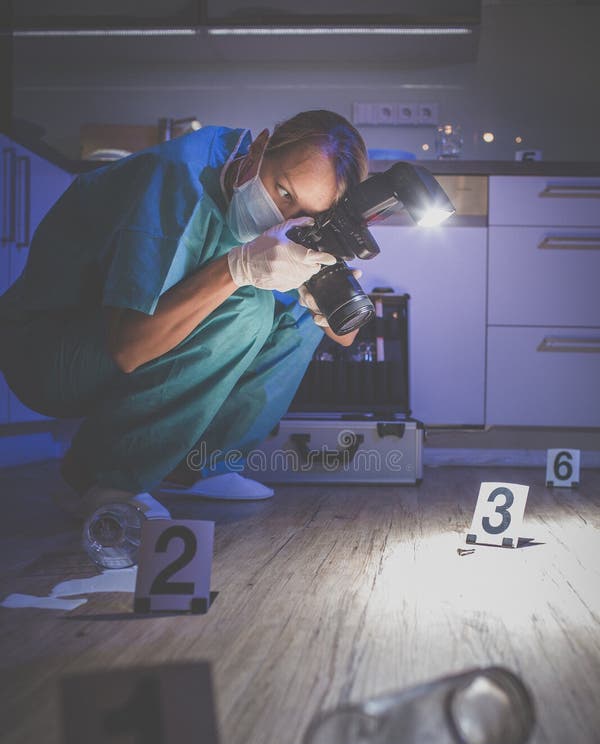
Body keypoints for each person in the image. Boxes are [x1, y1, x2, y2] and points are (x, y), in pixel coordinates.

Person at [0, 109, 368, 515]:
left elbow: (344, 335)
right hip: (50, 351)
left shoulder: (265, 201)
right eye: (283, 192)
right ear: (259, 148)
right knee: (245, 304)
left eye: (303, 213)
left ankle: (196, 469)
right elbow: (128, 347)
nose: (284, 218)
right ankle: (106, 480)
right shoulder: (178, 180)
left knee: (296, 308)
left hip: (112, 349)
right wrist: (237, 267)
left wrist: (323, 291)